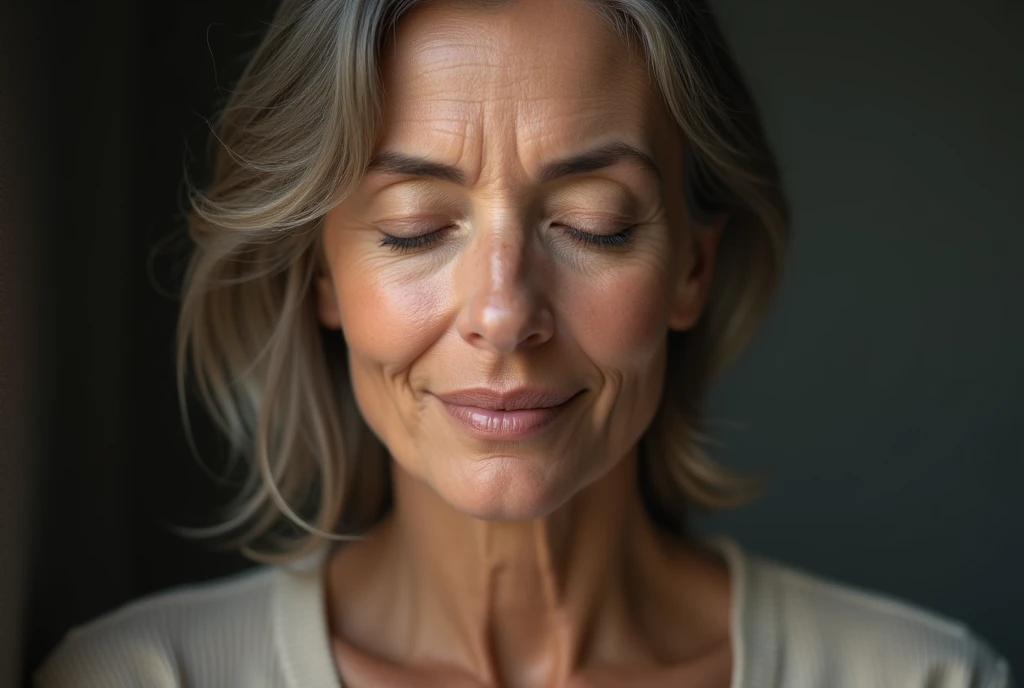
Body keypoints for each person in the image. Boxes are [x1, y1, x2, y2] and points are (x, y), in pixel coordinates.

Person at [36, 0, 1014, 685]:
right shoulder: (140, 677)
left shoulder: (925, 678)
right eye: (415, 228)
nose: (503, 313)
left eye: (594, 224)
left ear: (691, 269)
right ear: (319, 275)